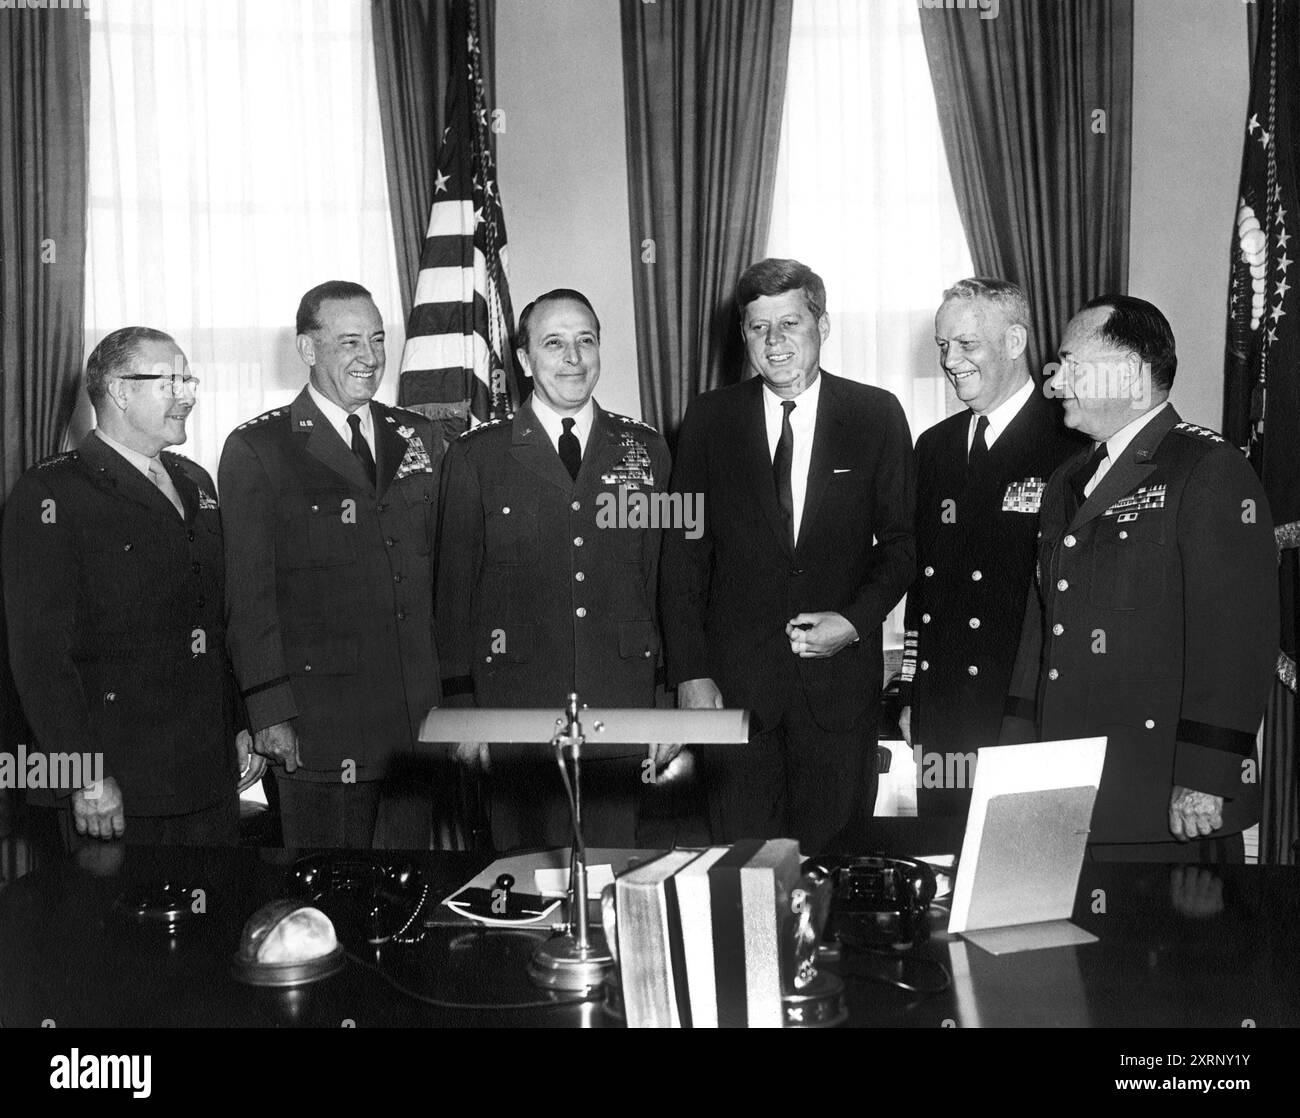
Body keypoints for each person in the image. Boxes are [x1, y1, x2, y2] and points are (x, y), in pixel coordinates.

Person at [1002, 296, 1278, 861]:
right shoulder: (1068, 478)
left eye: (1070, 363)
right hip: (1069, 789)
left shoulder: (1208, 469)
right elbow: (1042, 628)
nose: (1055, 382)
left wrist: (1207, 773)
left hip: (1163, 799)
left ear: (1127, 374)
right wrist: (1016, 756)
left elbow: (1237, 637)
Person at [659, 258, 915, 853]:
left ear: (821, 326)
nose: (774, 343)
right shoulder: (707, 419)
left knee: (832, 873)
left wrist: (852, 623)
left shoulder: (876, 416)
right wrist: (691, 675)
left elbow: (903, 544)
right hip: (734, 693)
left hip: (840, 694)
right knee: (743, 878)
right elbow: (681, 555)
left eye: (790, 324)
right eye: (757, 328)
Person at [435, 289, 671, 849]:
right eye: (554, 343)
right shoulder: (476, 457)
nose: (573, 357)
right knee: (522, 883)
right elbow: (452, 596)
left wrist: (665, 706)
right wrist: (463, 710)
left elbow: (664, 582)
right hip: (516, 709)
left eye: (585, 341)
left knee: (614, 880)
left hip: (622, 705)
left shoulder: (646, 450)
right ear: (524, 360)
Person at [2, 327, 254, 846]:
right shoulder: (51, 491)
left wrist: (237, 723)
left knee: (214, 916)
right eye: (171, 380)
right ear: (119, 390)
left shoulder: (195, 481)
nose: (189, 394)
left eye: (190, 379)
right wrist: (83, 776)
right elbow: (40, 656)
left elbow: (213, 617)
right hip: (117, 782)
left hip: (206, 773)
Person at [219, 281, 442, 849]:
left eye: (376, 339)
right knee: (328, 902)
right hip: (320, 726)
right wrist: (268, 710)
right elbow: (248, 596)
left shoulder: (422, 437)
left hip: (417, 722)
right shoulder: (259, 449)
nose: (369, 358)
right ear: (308, 350)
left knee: (409, 893)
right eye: (348, 343)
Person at [900, 278, 1083, 821]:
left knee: (1020, 881)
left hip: (1023, 710)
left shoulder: (1070, 441)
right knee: (943, 870)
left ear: (1014, 341)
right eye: (942, 345)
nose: (950, 360)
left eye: (966, 344)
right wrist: (912, 690)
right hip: (942, 709)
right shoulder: (933, 447)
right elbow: (922, 585)